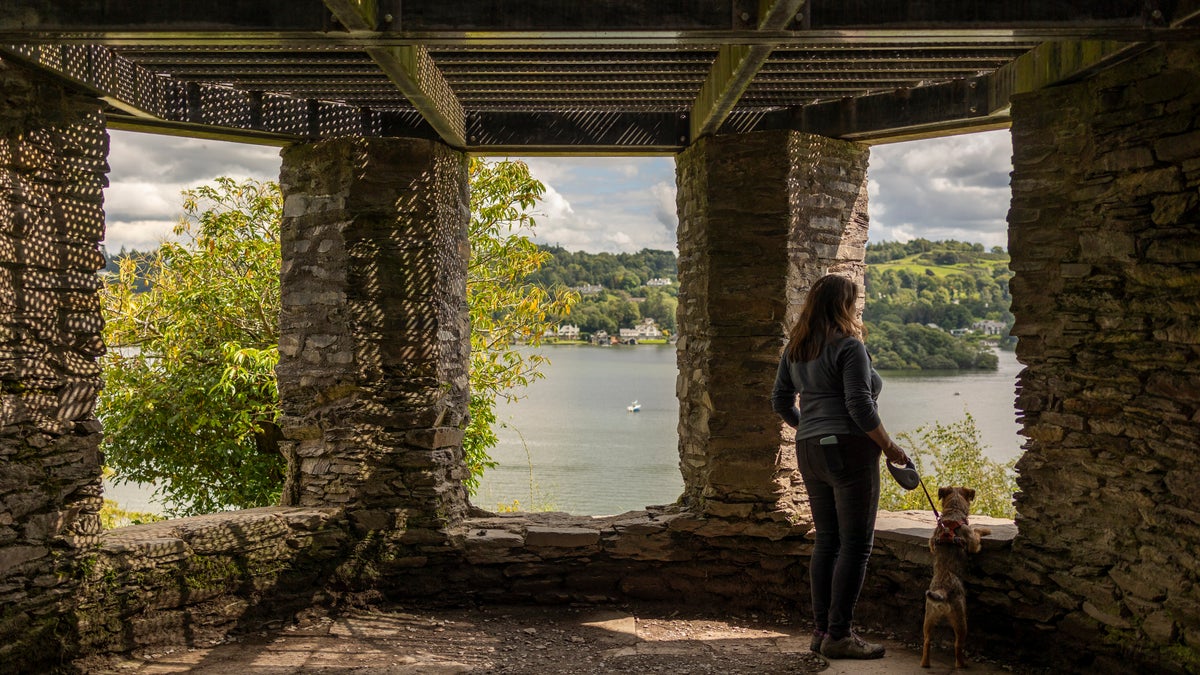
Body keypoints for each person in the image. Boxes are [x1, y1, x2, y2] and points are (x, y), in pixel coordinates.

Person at [771, 273, 908, 660]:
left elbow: (780, 400)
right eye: (853, 302)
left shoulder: (796, 349)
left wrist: (810, 429)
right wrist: (891, 447)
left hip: (809, 451)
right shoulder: (849, 347)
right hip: (849, 451)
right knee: (856, 545)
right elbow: (859, 406)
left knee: (827, 541)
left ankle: (820, 632)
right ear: (843, 306)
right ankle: (840, 635)